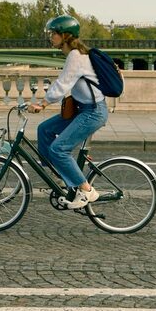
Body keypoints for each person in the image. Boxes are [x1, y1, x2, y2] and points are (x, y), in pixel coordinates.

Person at [28, 15, 109, 209]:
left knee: (58, 149)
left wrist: (43, 104)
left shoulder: (75, 55)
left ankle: (86, 190)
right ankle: (62, 177)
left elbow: (63, 83)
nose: (51, 37)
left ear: (65, 35)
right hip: (82, 109)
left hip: (93, 112)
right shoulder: (76, 54)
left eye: (54, 33)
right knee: (44, 130)